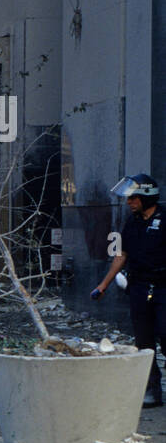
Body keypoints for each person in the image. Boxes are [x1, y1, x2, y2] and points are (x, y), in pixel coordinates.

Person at [92, 173, 166, 407]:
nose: (129, 202)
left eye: (133, 198)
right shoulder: (132, 222)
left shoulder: (165, 219)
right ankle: (152, 389)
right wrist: (103, 285)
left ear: (147, 197)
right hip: (139, 288)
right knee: (144, 342)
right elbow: (121, 255)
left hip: (164, 287)